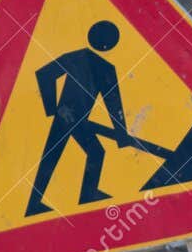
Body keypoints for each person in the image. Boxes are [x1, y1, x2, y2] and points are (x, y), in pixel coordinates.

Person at [24, 20, 130, 216]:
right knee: (53, 157)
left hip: (79, 119)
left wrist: (122, 134)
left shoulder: (100, 66)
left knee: (92, 153)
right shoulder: (90, 62)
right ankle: (35, 204)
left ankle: (87, 194)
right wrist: (54, 109)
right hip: (66, 117)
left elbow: (113, 104)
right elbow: (44, 74)